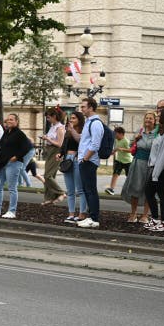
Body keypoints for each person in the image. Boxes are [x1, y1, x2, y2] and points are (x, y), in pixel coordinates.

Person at [0, 113, 31, 219]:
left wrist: (17, 156)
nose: (9, 121)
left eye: (12, 120)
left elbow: (27, 147)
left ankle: (12, 211)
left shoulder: (19, 134)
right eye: (8, 119)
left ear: (17, 122)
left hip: (13, 164)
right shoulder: (6, 132)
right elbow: (1, 146)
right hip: (2, 163)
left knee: (12, 188)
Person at [121, 111, 157, 224]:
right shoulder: (140, 131)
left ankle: (145, 215)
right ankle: (133, 213)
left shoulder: (157, 133)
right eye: (147, 118)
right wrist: (136, 139)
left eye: (151, 118)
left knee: (149, 190)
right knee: (135, 188)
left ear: (155, 121)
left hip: (151, 164)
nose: (148, 120)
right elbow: (131, 146)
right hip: (137, 163)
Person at [77, 97, 104, 229]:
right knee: (87, 190)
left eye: (83, 107)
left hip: (89, 161)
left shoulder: (96, 123)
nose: (81, 109)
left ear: (91, 108)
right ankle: (91, 216)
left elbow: (95, 144)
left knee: (91, 190)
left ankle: (94, 218)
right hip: (85, 160)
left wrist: (85, 158)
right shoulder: (88, 122)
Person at [59, 111, 88, 224]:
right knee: (70, 190)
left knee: (80, 189)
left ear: (79, 120)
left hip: (77, 159)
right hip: (67, 159)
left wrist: (72, 130)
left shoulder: (83, 131)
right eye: (70, 118)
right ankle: (71, 214)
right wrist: (60, 154)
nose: (71, 120)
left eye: (74, 118)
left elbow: (81, 142)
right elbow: (64, 144)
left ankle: (81, 214)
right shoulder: (68, 131)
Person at [40, 106, 66, 205]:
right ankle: (49, 198)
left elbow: (59, 143)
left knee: (48, 175)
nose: (48, 119)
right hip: (50, 151)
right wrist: (46, 138)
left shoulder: (60, 128)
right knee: (49, 175)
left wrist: (47, 139)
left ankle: (61, 193)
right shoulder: (52, 127)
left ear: (54, 116)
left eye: (48, 117)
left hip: (55, 152)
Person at [105, 126, 132, 195]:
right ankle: (111, 189)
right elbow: (117, 148)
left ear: (121, 134)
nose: (115, 135)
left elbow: (131, 150)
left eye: (116, 134)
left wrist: (122, 149)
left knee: (129, 176)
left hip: (127, 161)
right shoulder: (116, 140)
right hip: (119, 160)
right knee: (115, 174)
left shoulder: (126, 141)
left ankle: (130, 190)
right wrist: (113, 152)